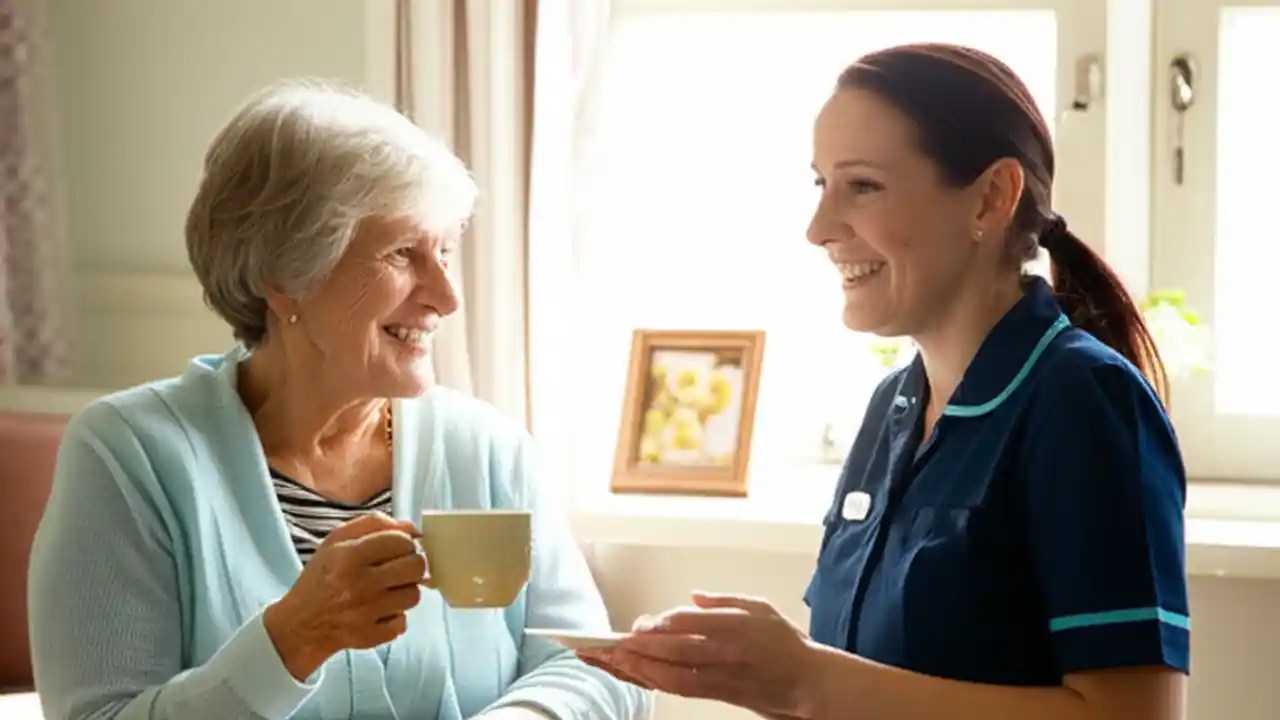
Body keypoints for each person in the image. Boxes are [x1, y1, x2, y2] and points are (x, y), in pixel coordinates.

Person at [579, 43, 1189, 720]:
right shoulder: (895, 405)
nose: (818, 229)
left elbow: (1136, 716)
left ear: (991, 197)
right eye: (821, 185)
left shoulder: (1083, 400)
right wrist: (755, 676)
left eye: (862, 186)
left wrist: (806, 680)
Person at [28, 80, 649, 720]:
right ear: (283, 276)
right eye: (403, 253)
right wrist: (294, 639)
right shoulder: (131, 455)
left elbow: (596, 668)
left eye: (445, 251)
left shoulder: (485, 449)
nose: (446, 296)